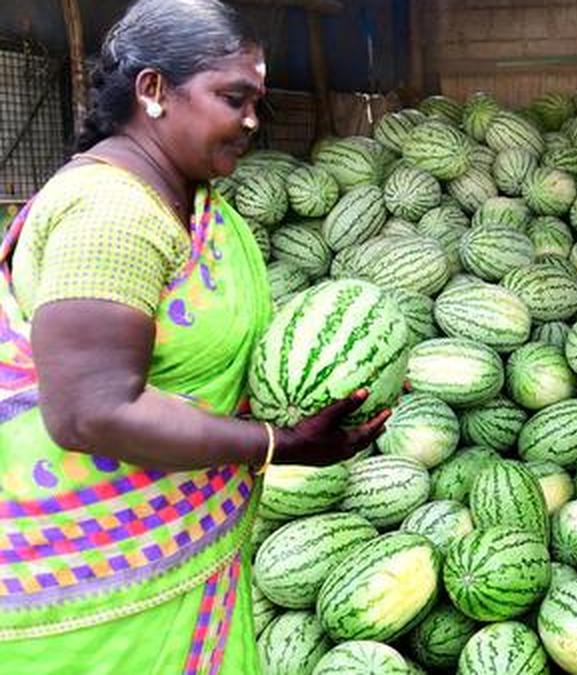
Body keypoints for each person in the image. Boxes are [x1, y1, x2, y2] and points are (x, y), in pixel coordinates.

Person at [0, 1, 387, 671]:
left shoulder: (192, 201)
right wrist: (279, 444)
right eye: (233, 97)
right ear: (153, 90)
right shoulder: (110, 213)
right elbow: (90, 410)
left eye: (255, 100)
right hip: (92, 596)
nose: (251, 120)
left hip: (182, 569)